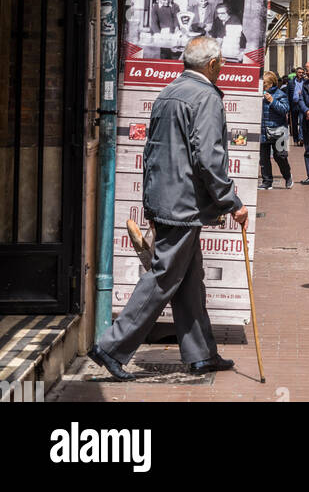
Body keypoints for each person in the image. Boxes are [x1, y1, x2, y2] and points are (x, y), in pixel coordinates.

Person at [88, 36, 248, 380]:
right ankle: (110, 347)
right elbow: (208, 156)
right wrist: (230, 200)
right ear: (214, 64)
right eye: (220, 63)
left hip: (166, 196)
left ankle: (201, 353)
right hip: (182, 202)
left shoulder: (170, 90)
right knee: (163, 277)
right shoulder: (205, 96)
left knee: (190, 279)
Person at [260, 71, 293, 189]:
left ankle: (288, 176)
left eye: (265, 84)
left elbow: (285, 109)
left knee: (280, 157)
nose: (263, 87)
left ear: (272, 84)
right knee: (264, 159)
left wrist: (272, 101)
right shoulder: (259, 94)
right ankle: (267, 181)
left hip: (278, 131)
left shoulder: (280, 94)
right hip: (263, 130)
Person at [291, 69, 306, 145]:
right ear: (296, 73)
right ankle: (295, 139)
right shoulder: (291, 82)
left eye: (302, 73)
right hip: (294, 104)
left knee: (301, 122)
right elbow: (288, 94)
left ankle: (301, 138)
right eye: (299, 72)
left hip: (302, 104)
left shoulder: (305, 82)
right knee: (294, 123)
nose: (301, 74)